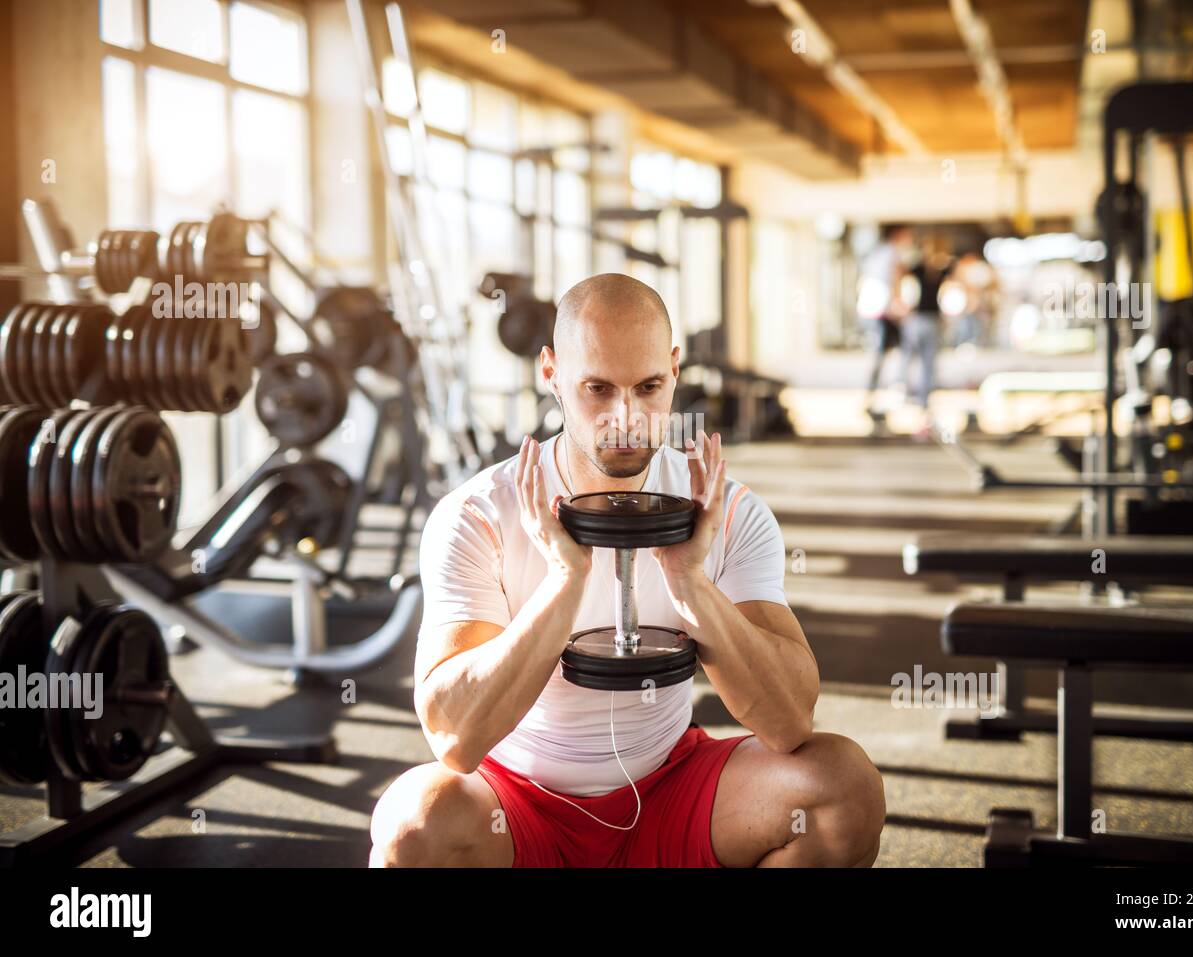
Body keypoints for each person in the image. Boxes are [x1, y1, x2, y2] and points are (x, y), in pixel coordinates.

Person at [370, 273, 885, 868]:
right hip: (515, 809)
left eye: (648, 387)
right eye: (597, 388)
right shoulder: (478, 514)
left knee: (842, 788)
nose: (626, 417)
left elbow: (791, 720)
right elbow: (453, 739)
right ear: (550, 373)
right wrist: (565, 583)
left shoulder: (729, 510)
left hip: (671, 790)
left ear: (674, 369)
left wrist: (691, 584)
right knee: (416, 826)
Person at [857, 224, 915, 423]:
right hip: (885, 312)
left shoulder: (877, 253)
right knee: (901, 351)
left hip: (873, 310)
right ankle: (896, 390)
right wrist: (897, 304)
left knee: (882, 354)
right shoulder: (892, 254)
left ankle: (874, 394)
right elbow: (893, 279)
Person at [899, 235, 952, 435]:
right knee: (915, 359)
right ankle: (909, 394)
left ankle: (918, 397)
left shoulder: (937, 270)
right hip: (921, 319)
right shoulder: (922, 269)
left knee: (922, 361)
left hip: (928, 319)